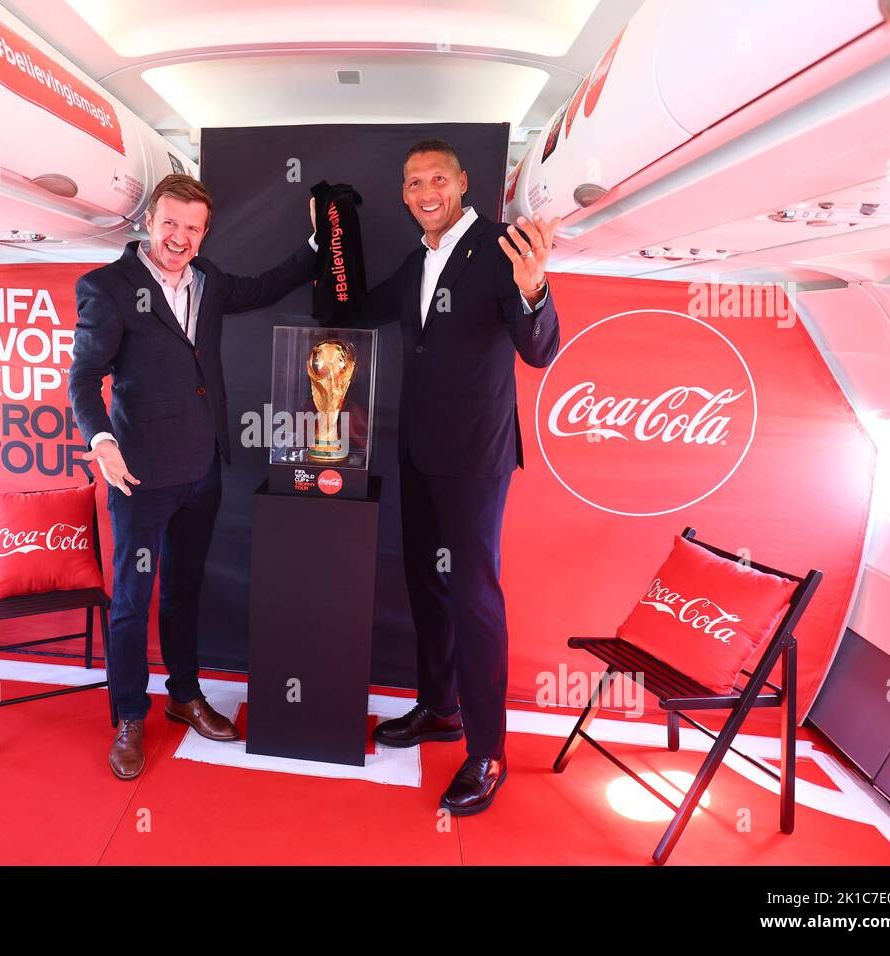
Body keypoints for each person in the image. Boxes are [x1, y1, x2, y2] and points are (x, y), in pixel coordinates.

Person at [317, 139, 562, 815]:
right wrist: (327, 238)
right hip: (418, 453)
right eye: (414, 183)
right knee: (426, 584)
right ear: (404, 195)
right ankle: (439, 707)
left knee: (474, 598)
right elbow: (353, 308)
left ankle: (487, 752)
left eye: (437, 180)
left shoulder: (505, 247)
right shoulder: (416, 260)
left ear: (461, 184)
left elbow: (540, 350)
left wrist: (536, 289)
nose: (426, 192)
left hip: (475, 459)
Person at [68, 174, 316, 780]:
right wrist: (102, 443)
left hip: (202, 469)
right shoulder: (107, 287)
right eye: (171, 224)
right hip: (139, 476)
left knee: (184, 591)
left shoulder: (211, 281)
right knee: (131, 602)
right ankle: (129, 715)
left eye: (193, 228)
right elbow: (84, 376)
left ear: (205, 233)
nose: (180, 237)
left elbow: (267, 286)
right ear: (149, 223)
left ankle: (183, 694)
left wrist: (321, 242)